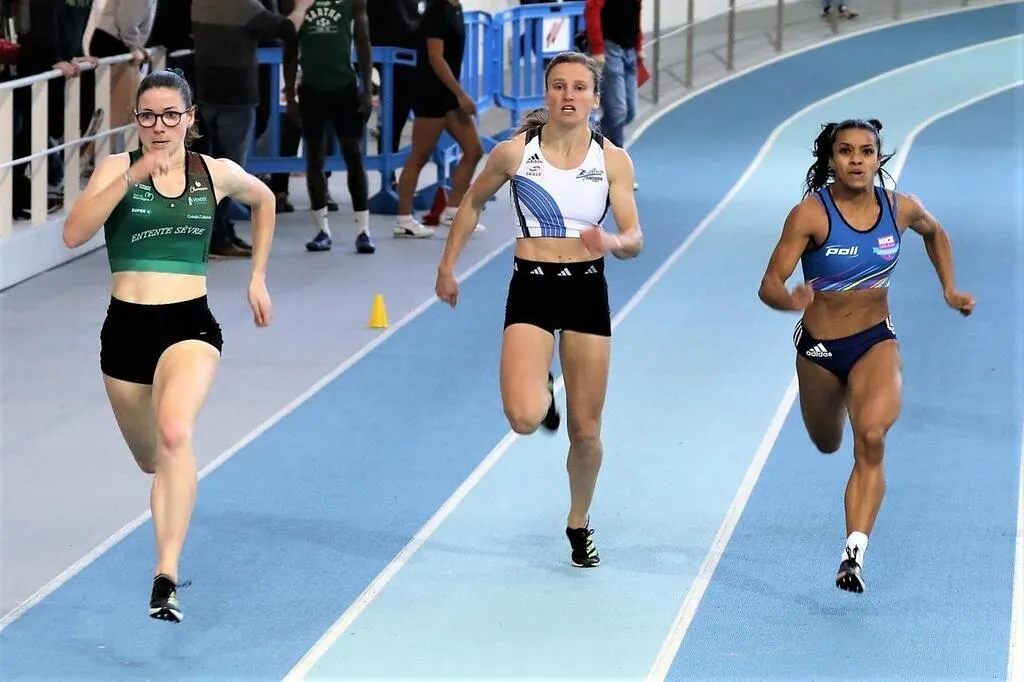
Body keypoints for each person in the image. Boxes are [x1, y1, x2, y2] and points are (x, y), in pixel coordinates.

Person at [62, 68, 278, 623]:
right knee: (152, 459)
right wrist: (133, 171)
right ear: (136, 120)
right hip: (126, 330)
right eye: (147, 115)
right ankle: (169, 502)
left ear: (190, 119)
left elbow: (266, 200)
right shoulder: (116, 167)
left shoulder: (216, 172)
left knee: (176, 431)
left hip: (190, 325)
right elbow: (74, 232)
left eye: (170, 115)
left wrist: (257, 276)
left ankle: (165, 577)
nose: (159, 126)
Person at [434, 51, 643, 568]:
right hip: (531, 285)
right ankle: (545, 390)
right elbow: (473, 201)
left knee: (586, 431)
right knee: (525, 419)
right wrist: (447, 266)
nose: (568, 96)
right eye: (558, 86)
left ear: (595, 99)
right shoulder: (513, 153)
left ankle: (578, 522)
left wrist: (612, 241)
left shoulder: (613, 159)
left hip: (587, 289)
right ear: (546, 94)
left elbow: (635, 236)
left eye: (578, 88)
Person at [756, 118, 975, 594]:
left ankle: (853, 551)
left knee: (871, 436)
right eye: (845, 151)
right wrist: (788, 300)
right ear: (830, 160)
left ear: (878, 159)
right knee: (827, 441)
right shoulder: (810, 215)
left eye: (866, 151)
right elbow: (769, 282)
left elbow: (934, 233)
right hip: (818, 350)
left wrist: (950, 289)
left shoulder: (900, 209)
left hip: (875, 340)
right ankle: (829, 425)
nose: (856, 159)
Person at [283, 0, 376, 254]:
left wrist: (367, 89)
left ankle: (363, 230)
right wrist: (290, 95)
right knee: (314, 159)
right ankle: (322, 230)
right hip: (311, 90)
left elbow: (363, 40)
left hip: (344, 87)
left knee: (353, 154)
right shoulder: (296, 1)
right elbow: (289, 48)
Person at [393, 0, 481, 239]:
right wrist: (460, 94)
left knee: (474, 151)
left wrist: (455, 94)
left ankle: (452, 211)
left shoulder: (456, 7)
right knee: (419, 156)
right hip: (430, 92)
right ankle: (403, 220)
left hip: (448, 94)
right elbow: (435, 57)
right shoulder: (436, 11)